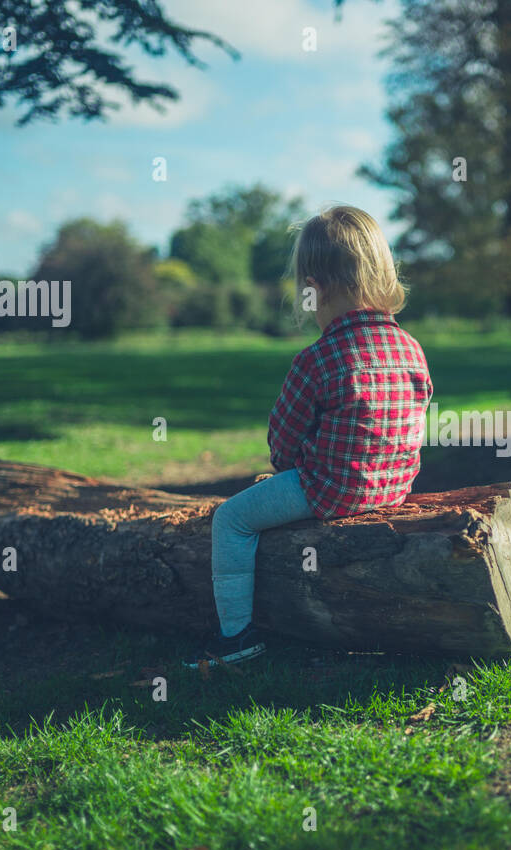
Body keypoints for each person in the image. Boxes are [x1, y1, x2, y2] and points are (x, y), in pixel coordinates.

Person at [185, 205, 433, 667]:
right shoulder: (411, 348)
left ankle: (235, 639)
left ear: (313, 289)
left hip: (331, 491)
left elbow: (282, 442)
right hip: (395, 488)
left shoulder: (316, 360)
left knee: (230, 521)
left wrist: (286, 472)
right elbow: (414, 423)